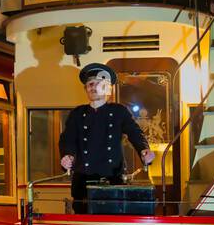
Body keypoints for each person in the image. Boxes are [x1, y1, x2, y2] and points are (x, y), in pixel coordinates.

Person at [59, 63, 154, 213]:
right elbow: (67, 139)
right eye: (89, 84)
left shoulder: (118, 111)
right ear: (85, 89)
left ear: (106, 88)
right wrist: (67, 155)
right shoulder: (77, 113)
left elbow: (134, 132)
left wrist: (144, 149)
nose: (92, 87)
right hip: (83, 182)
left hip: (113, 179)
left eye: (97, 84)